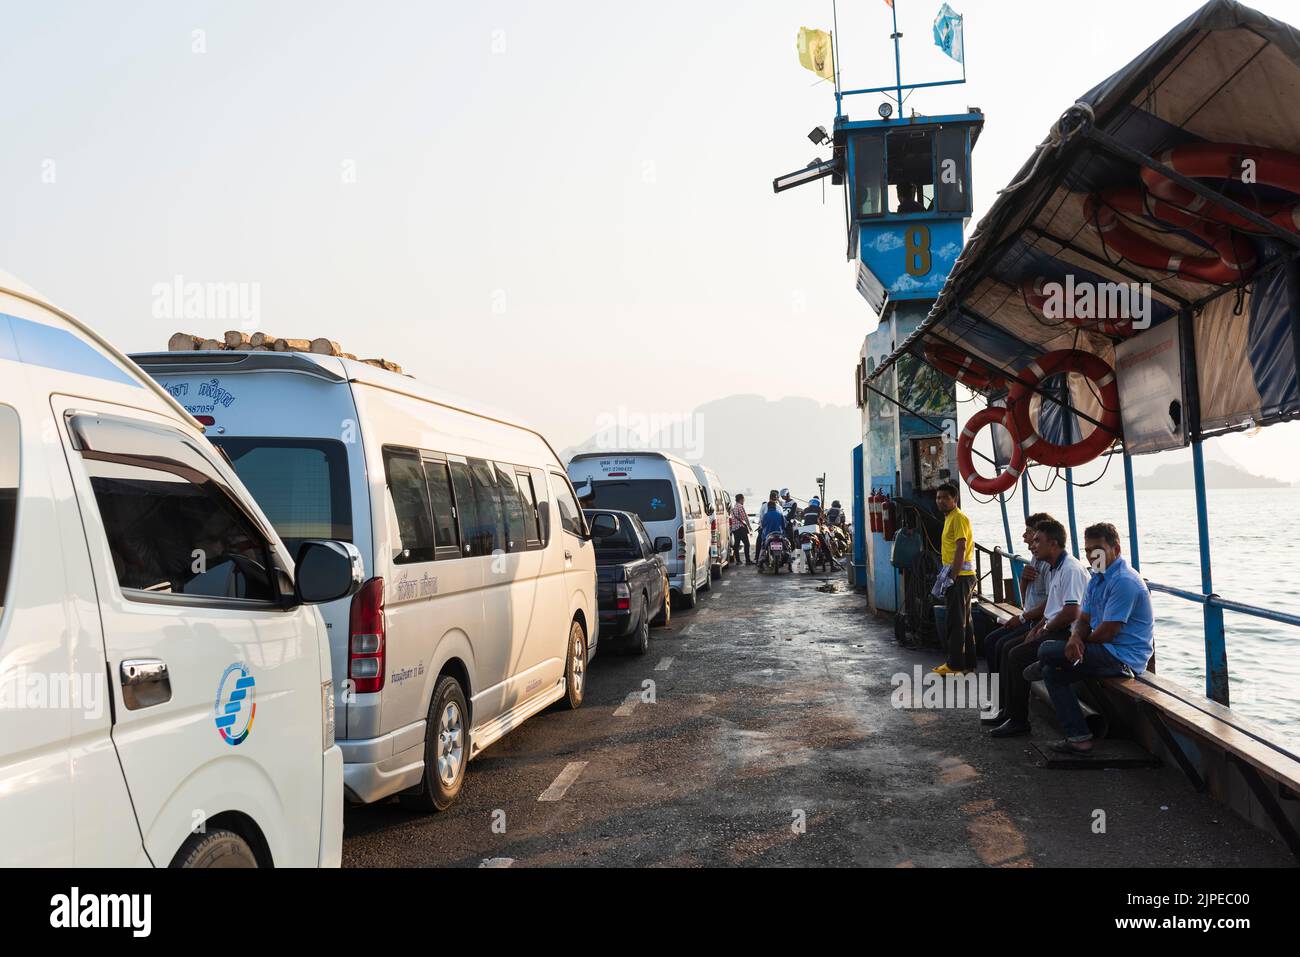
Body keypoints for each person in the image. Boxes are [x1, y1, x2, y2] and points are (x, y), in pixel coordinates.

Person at [1034, 522, 1154, 755]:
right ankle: (1079, 738)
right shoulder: (1097, 577)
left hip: (1123, 658)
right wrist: (1075, 637)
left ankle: (1040, 663)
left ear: (1116, 550)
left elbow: (1109, 632)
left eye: (1097, 549)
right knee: (1052, 672)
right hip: (1103, 650)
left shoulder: (1124, 581)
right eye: (1088, 550)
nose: (1091, 556)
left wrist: (1076, 642)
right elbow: (1084, 619)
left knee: (1047, 651)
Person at [988, 519, 1090, 738]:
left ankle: (1018, 720)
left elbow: (1072, 612)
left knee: (1015, 654)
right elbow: (1053, 607)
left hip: (1071, 633)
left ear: (1053, 544)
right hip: (1054, 627)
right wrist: (1040, 626)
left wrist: (1046, 628)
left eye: (1037, 541)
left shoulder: (1070, 569)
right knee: (1006, 647)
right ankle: (1008, 710)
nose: (1032, 545)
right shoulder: (1056, 567)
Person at [977, 512, 1056, 676]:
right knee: (991, 641)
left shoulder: (1049, 565)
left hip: (1037, 620)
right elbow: (1025, 599)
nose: (1024, 536)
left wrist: (1022, 618)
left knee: (1005, 647)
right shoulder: (1035, 559)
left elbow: (1051, 603)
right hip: (1029, 617)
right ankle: (1000, 693)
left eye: (1028, 532)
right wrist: (1024, 581)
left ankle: (1009, 696)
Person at [932, 482, 977, 675]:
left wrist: (953, 576)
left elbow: (961, 546)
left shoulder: (958, 518)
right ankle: (967, 663)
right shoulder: (950, 517)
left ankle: (954, 665)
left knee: (955, 621)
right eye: (938, 497)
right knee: (964, 620)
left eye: (945, 498)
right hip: (962, 576)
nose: (940, 501)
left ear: (955, 499)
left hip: (960, 576)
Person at [758, 495, 788, 562]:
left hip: (768, 535)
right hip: (779, 534)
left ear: (768, 507)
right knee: (786, 545)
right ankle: (788, 555)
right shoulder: (780, 515)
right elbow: (784, 525)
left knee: (763, 546)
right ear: (775, 507)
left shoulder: (766, 515)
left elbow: (762, 525)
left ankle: (761, 559)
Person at [730, 493, 753, 565]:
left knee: (736, 545)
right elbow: (744, 518)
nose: (744, 501)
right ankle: (748, 560)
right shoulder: (740, 506)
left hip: (735, 529)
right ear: (741, 499)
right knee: (747, 544)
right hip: (740, 528)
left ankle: (738, 560)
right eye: (743, 500)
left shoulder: (733, 507)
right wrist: (749, 526)